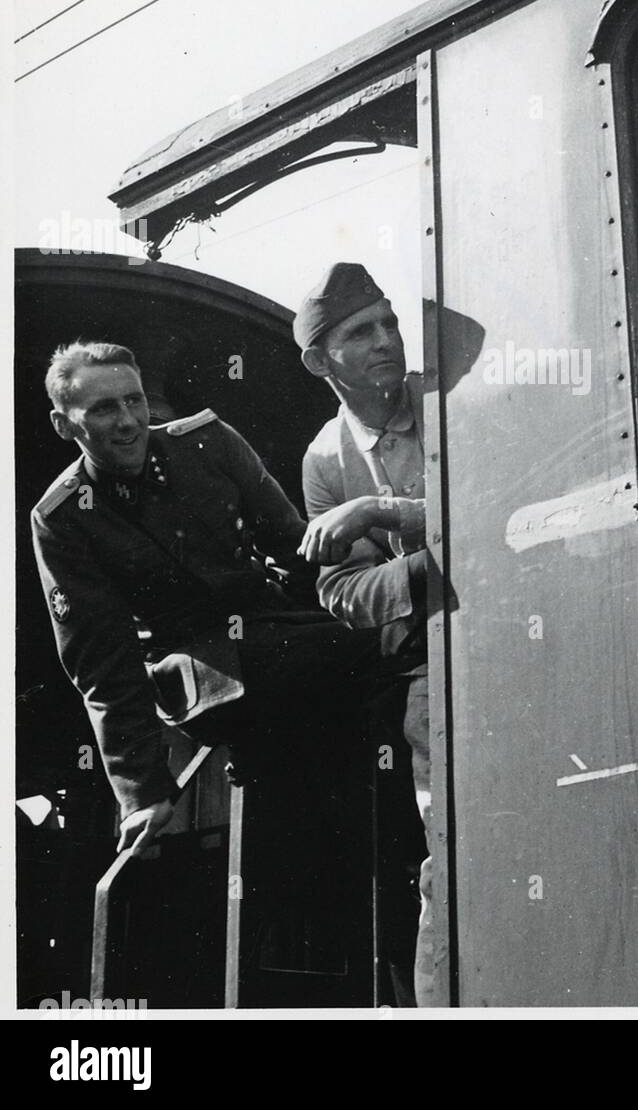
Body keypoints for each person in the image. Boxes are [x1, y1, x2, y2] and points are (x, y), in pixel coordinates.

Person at [30, 341, 379, 857]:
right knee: (365, 654)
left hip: (281, 630)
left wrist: (350, 605)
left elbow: (291, 545)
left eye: (134, 401)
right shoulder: (63, 517)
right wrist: (142, 794)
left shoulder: (207, 442)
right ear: (65, 425)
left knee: (366, 657)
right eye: (103, 409)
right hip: (200, 672)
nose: (127, 421)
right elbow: (102, 660)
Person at [293, 264, 437, 1007]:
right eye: (361, 332)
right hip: (428, 662)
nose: (386, 340)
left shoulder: (449, 398)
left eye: (388, 322)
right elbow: (343, 594)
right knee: (435, 840)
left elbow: (507, 502)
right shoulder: (323, 460)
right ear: (321, 361)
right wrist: (435, 561)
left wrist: (383, 514)